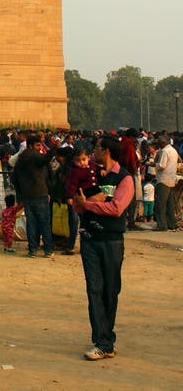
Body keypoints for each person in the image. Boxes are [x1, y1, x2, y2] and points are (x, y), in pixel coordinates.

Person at [73, 135, 135, 360]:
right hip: (90, 238)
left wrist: (90, 204)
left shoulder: (125, 179)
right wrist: (85, 204)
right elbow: (78, 206)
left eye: (97, 149)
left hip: (111, 240)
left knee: (110, 291)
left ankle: (106, 339)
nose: (92, 153)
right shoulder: (90, 176)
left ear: (106, 151)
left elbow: (117, 208)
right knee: (94, 290)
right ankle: (102, 341)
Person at [12, 133, 54, 258]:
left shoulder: (20, 159)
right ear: (31, 145)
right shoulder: (36, 157)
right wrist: (54, 149)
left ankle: (33, 250)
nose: (39, 147)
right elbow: (46, 161)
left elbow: (14, 178)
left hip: (27, 195)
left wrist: (20, 193)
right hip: (40, 193)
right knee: (44, 223)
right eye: (38, 145)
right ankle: (47, 249)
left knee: (31, 223)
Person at [154, 133, 178, 232]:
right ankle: (172, 224)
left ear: (162, 143)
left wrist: (154, 164)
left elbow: (162, 165)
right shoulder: (173, 150)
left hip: (163, 179)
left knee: (161, 204)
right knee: (170, 205)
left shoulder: (164, 151)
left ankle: (162, 225)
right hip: (171, 179)